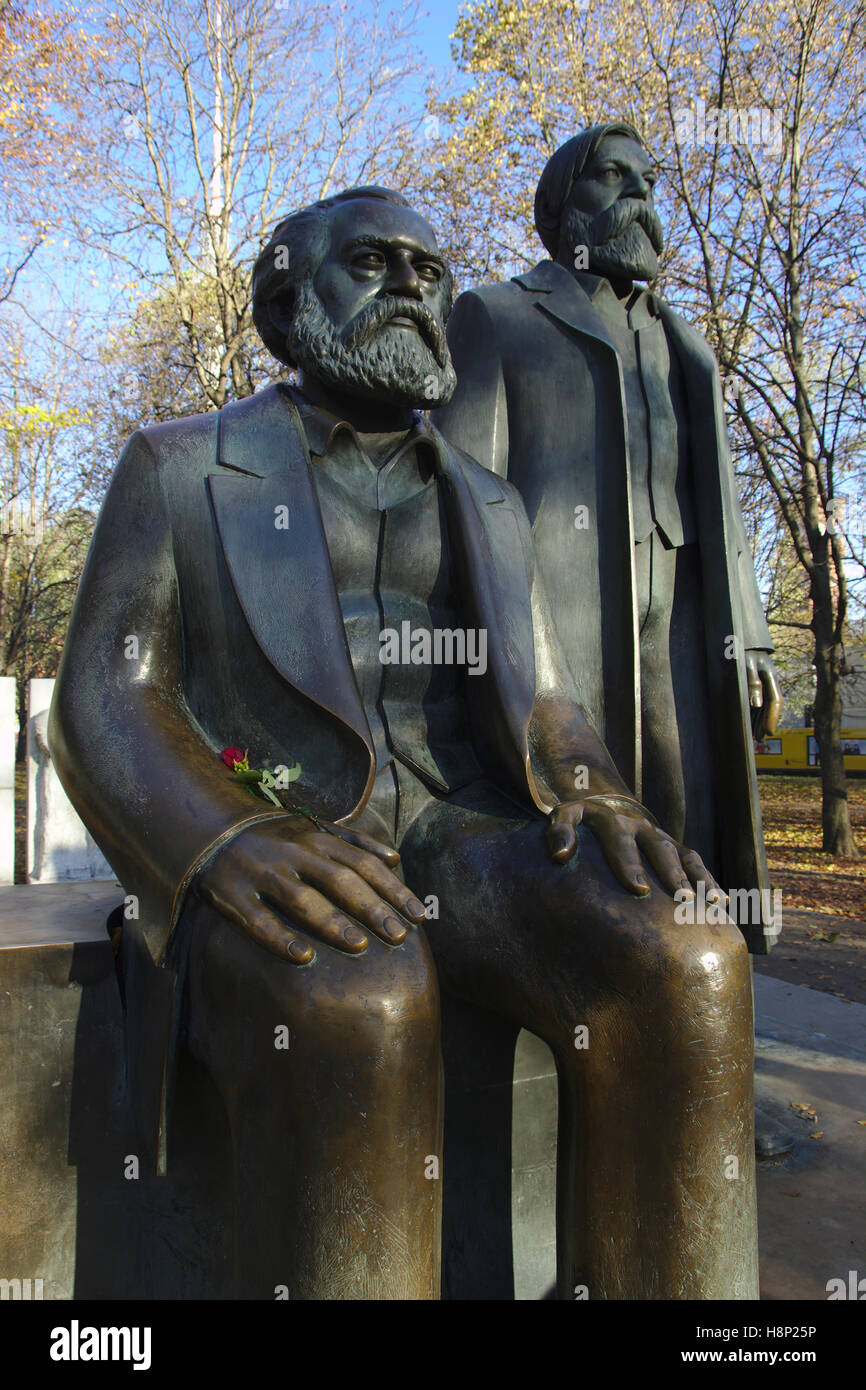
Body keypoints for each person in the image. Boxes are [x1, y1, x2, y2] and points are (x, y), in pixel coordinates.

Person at [50, 186, 757, 1300]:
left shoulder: (490, 500)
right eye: (373, 263)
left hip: (469, 837)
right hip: (290, 832)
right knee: (361, 998)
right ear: (287, 305)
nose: (411, 290)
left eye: (429, 272)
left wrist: (603, 797)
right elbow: (105, 697)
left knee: (688, 956)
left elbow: (549, 703)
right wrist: (228, 837)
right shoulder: (178, 465)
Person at [434, 123, 782, 953]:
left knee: (686, 800)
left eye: (648, 181)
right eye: (614, 178)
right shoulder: (498, 315)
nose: (640, 196)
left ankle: (689, 978)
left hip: (686, 617)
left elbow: (724, 510)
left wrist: (752, 636)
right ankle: (585, 969)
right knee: (586, 817)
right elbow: (458, 489)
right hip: (560, 620)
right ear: (561, 210)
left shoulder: (683, 347)